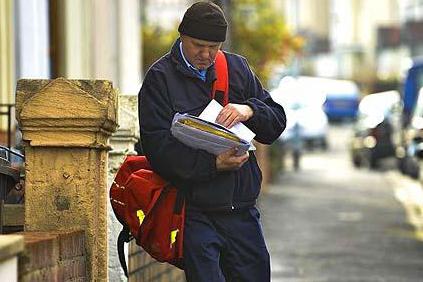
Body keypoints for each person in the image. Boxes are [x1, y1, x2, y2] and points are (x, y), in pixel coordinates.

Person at [138, 2, 286, 281]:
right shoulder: (160, 78)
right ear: (182, 36)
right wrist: (213, 163)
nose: (205, 54)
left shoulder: (237, 68)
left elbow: (276, 123)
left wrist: (250, 110)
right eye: (197, 45)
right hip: (194, 212)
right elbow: (157, 149)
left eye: (213, 47)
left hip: (242, 210)